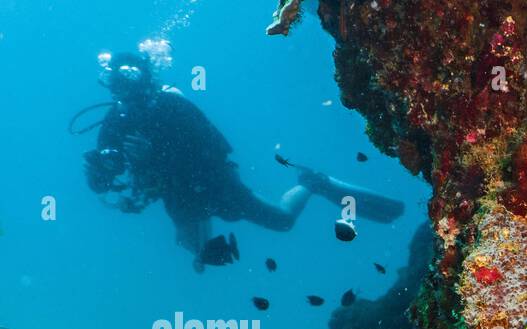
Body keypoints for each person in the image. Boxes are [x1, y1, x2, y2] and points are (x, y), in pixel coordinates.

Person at [82, 49, 403, 271]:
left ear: (144, 77)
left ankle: (312, 183)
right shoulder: (114, 121)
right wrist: (96, 176)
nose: (125, 87)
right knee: (197, 253)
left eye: (129, 78)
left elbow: (214, 148)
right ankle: (200, 242)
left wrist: (158, 157)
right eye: (118, 81)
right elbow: (108, 179)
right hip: (174, 194)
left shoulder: (172, 105)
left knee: (281, 221)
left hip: (215, 182)